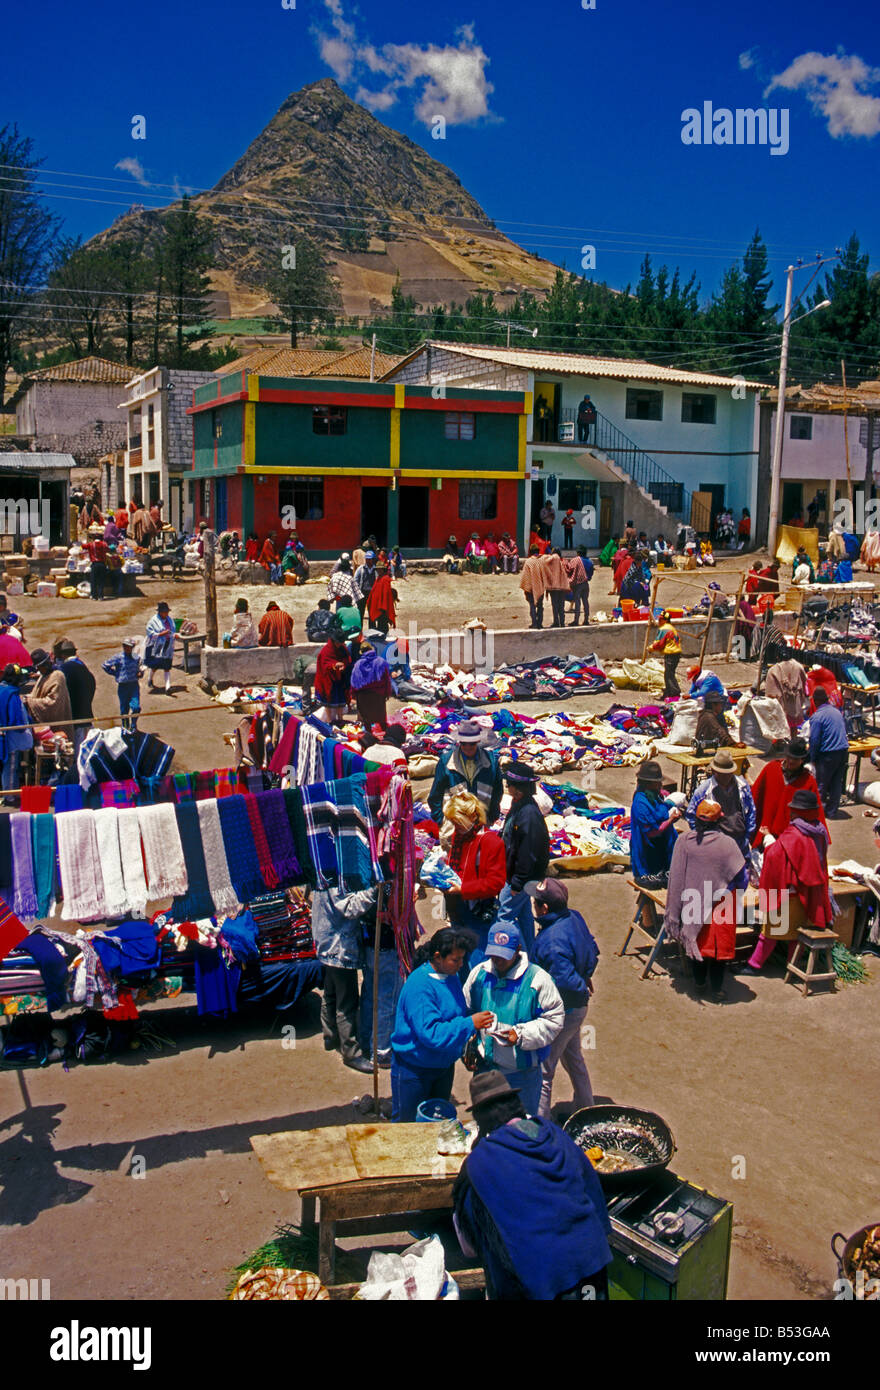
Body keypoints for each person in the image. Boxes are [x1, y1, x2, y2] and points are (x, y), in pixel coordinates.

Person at [452, 1068, 612, 1301]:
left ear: (482, 1118)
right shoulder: (555, 1133)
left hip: (543, 1279)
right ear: (516, 1104)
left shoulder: (479, 1163)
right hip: (591, 1261)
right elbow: (593, 1191)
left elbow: (471, 1238)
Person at [390, 928, 493, 1123]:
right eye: (456, 959)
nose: (461, 964)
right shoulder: (420, 986)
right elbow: (432, 1034)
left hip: (443, 1067)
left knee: (437, 1124)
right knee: (407, 1126)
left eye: (462, 959)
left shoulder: (451, 976)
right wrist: (470, 1024)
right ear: (438, 957)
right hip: (415, 1070)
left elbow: (457, 1014)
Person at [464, 922, 564, 1117]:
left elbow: (554, 1020)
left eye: (503, 954)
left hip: (521, 1077)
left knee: (521, 1131)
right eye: (494, 953)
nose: (497, 960)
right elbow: (466, 1010)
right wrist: (468, 1044)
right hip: (486, 1072)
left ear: (518, 949)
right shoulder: (478, 975)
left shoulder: (538, 980)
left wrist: (521, 1034)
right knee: (486, 1127)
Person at [743, 789, 835, 975]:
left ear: (798, 811)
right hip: (809, 891)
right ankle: (792, 964)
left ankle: (754, 965)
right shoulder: (819, 831)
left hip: (789, 892)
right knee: (796, 932)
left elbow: (777, 855)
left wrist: (768, 839)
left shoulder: (795, 834)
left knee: (769, 931)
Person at [665, 799, 747, 1001]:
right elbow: (741, 879)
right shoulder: (728, 845)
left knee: (696, 941)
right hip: (722, 905)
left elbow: (676, 875)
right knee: (718, 950)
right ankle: (717, 990)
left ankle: (699, 983)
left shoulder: (684, 842)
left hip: (693, 903)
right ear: (719, 820)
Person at [529, 878, 598, 1120]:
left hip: (564, 1010)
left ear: (544, 909)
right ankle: (585, 1111)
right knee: (573, 1057)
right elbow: (592, 948)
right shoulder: (574, 917)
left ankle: (541, 1127)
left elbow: (563, 981)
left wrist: (579, 984)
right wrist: (586, 974)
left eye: (535, 903)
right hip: (577, 1008)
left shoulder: (550, 940)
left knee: (544, 1070)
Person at [312, 883, 378, 1074]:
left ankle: (330, 1035)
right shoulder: (335, 878)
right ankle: (351, 1052)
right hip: (339, 945)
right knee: (347, 1001)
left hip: (326, 941)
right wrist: (374, 890)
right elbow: (350, 907)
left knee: (331, 991)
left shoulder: (322, 873)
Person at [441, 792, 507, 952]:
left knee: (477, 960)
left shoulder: (491, 842)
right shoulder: (460, 835)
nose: (454, 826)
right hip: (457, 908)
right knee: (459, 959)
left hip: (477, 913)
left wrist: (463, 889)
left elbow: (495, 883)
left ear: (472, 816)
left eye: (457, 822)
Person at [496, 762, 550, 949]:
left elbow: (528, 852)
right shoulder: (519, 805)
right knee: (525, 914)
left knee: (505, 915)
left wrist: (517, 882)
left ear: (517, 788)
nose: (507, 787)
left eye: (509, 784)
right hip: (522, 877)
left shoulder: (528, 814)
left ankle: (516, 955)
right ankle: (531, 953)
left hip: (522, 878)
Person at [428, 720, 503, 826]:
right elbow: (435, 796)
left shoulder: (491, 762)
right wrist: (442, 821)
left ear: (477, 741)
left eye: (472, 744)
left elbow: (497, 792)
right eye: (464, 744)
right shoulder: (446, 761)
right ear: (459, 742)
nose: (468, 748)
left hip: (481, 823)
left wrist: (491, 818)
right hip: (454, 824)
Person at [686, 748, 755, 863]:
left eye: (728, 774)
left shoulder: (742, 786)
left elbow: (751, 811)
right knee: (711, 879)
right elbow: (691, 815)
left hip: (740, 841)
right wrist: (704, 838)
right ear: (713, 771)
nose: (726, 777)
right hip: (715, 843)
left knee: (740, 875)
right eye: (722, 774)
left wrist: (747, 836)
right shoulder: (704, 790)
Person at [629, 760, 680, 887]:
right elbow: (652, 832)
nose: (660, 785)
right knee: (655, 884)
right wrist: (670, 820)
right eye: (657, 783)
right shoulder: (641, 804)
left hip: (662, 849)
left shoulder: (654, 795)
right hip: (649, 853)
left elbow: (661, 806)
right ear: (648, 784)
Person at [809, 687, 849, 817]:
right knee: (837, 782)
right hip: (843, 751)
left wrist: (813, 759)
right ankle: (832, 812)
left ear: (815, 701)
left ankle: (817, 815)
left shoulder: (817, 717)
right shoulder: (837, 712)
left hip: (829, 754)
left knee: (821, 784)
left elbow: (814, 740)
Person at [54, 640, 95, 758]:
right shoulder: (83, 666)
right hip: (86, 713)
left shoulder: (64, 669)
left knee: (76, 751)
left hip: (75, 716)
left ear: (62, 655)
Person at [0, 664, 32, 794]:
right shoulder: (12, 695)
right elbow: (15, 720)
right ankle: (10, 795)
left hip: (3, 733)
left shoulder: (2, 689)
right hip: (10, 737)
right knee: (11, 766)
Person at [24, 648, 73, 734]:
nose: (38, 670)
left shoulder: (57, 676)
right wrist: (27, 697)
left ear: (45, 665)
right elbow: (35, 693)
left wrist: (30, 701)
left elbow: (53, 702)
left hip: (58, 725)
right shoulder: (43, 676)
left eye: (39, 667)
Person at [102, 637, 142, 731]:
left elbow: (140, 668)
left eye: (129, 646)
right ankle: (125, 727)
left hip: (134, 685)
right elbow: (105, 665)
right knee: (124, 709)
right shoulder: (118, 657)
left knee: (136, 707)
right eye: (125, 646)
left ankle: (133, 725)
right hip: (123, 686)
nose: (127, 648)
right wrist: (115, 674)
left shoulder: (136, 657)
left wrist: (140, 673)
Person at [315, 627, 353, 725]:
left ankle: (340, 719)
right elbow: (324, 665)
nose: (339, 644)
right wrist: (334, 665)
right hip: (329, 680)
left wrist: (344, 665)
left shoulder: (343, 649)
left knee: (341, 699)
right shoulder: (326, 651)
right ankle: (329, 720)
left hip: (340, 679)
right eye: (337, 642)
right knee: (328, 701)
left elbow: (347, 659)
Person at [351, 641, 392, 732]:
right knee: (381, 718)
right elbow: (386, 680)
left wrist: (353, 695)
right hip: (378, 695)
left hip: (363, 697)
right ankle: (385, 735)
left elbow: (354, 682)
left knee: (366, 720)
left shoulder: (358, 664)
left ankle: (369, 737)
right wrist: (387, 693)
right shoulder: (381, 662)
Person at [764, 657, 808, 733]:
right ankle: (793, 739)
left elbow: (769, 692)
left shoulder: (773, 670)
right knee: (793, 726)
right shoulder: (799, 667)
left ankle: (781, 742)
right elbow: (804, 684)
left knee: (780, 728)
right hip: (795, 704)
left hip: (780, 703)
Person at [650, 612, 682, 697]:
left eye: (661, 619)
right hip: (676, 653)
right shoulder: (671, 628)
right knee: (668, 673)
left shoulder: (664, 629)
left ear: (665, 620)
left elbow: (659, 644)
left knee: (669, 675)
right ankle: (668, 692)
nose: (659, 621)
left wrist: (650, 648)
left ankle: (675, 693)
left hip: (671, 653)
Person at [144, 602, 175, 693]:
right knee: (155, 665)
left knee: (167, 666)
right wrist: (162, 634)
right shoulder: (153, 621)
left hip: (167, 645)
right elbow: (150, 634)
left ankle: (167, 687)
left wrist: (173, 635)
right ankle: (150, 679)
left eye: (167, 612)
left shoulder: (169, 620)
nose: (166, 614)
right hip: (156, 646)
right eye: (164, 612)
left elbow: (172, 630)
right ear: (160, 612)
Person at [519, 545, 548, 629]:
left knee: (532, 606)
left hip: (531, 589)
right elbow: (544, 574)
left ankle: (534, 623)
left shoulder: (528, 562)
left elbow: (526, 576)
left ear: (531, 552)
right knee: (540, 606)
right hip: (540, 588)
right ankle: (540, 623)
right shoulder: (542, 561)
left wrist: (526, 588)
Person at [540, 547, 570, 628]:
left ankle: (556, 622)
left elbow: (543, 560)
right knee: (561, 606)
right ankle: (562, 622)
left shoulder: (552, 559)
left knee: (555, 606)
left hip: (554, 587)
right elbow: (568, 570)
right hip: (562, 586)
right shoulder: (563, 561)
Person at [564, 547, 592, 626]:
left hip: (578, 584)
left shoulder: (576, 560)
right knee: (585, 601)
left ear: (578, 553)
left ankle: (576, 620)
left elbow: (569, 569)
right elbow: (590, 574)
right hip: (586, 583)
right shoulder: (590, 561)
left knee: (577, 602)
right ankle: (586, 620)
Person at [353, 551, 378, 618]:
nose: (368, 561)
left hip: (372, 593)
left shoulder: (376, 569)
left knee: (372, 613)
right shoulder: (361, 569)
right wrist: (357, 591)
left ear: (373, 559)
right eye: (367, 559)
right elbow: (355, 580)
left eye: (369, 559)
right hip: (362, 593)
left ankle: (372, 628)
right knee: (360, 612)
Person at [86, 534, 108, 600]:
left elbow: (83, 547)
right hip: (102, 564)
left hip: (94, 564)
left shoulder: (91, 544)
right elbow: (108, 549)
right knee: (101, 580)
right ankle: (101, 596)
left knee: (93, 580)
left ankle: (94, 596)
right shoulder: (104, 544)